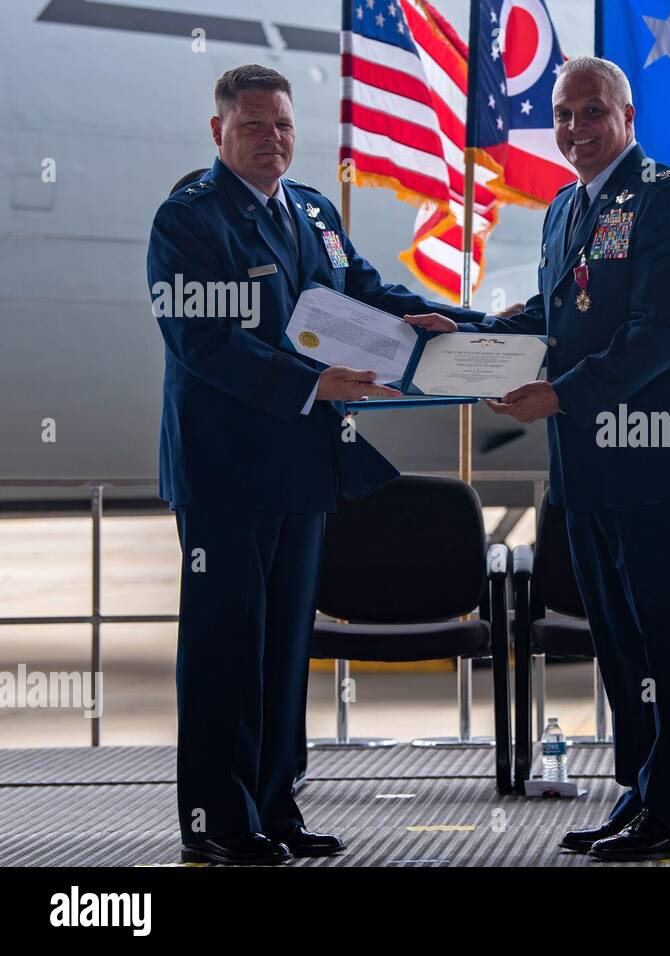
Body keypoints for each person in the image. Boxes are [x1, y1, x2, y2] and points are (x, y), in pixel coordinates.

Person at [147, 64, 481, 864]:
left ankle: (275, 807)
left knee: (283, 644)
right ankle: (218, 823)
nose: (274, 140)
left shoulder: (312, 213)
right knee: (227, 647)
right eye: (256, 126)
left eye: (284, 126)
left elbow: (357, 292)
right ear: (219, 132)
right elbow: (204, 344)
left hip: (301, 470)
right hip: (226, 476)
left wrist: (445, 322)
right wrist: (313, 382)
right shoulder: (190, 221)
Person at [407, 56, 670, 861]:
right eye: (563, 115)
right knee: (620, 645)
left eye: (592, 113)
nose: (575, 130)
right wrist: (470, 332)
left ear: (626, 113)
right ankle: (638, 793)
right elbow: (552, 311)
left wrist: (561, 394)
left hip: (660, 465)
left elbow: (659, 335)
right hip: (589, 470)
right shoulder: (566, 208)